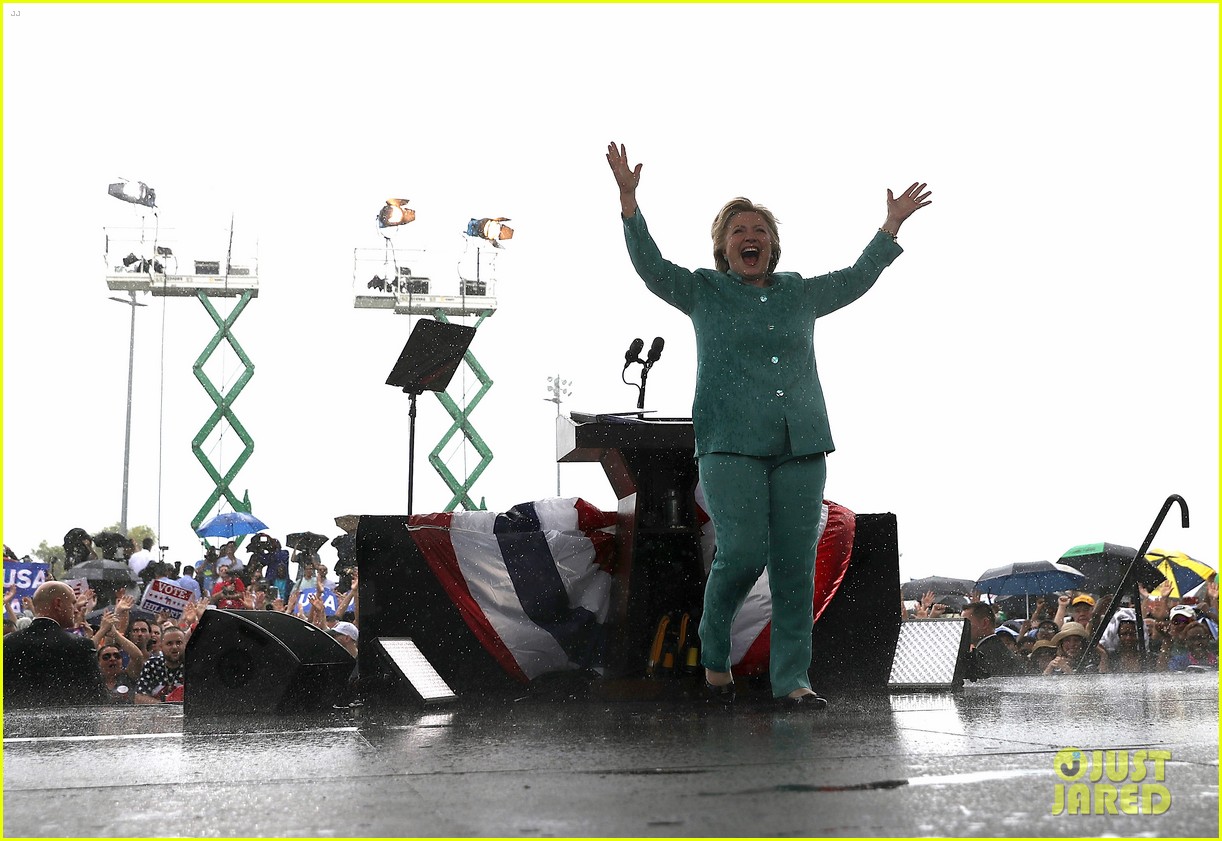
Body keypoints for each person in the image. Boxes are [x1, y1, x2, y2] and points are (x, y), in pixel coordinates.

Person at [606, 141, 930, 708]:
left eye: (758, 230)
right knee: (744, 552)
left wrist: (890, 228)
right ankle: (713, 649)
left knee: (794, 568)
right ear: (723, 248)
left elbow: (855, 278)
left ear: (772, 246)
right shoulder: (703, 290)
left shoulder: (799, 292)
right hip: (730, 443)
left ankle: (793, 682)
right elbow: (652, 269)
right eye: (737, 231)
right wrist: (630, 204)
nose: (748, 237)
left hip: (801, 442)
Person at [2, 581, 107, 707]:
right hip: (66, 724)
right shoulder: (79, 646)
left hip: (15, 724)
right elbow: (96, 698)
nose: (75, 610)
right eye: (73, 603)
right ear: (58, 604)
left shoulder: (7, 643)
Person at [964, 602, 1022, 677]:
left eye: (966, 624)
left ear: (985, 623)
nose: (962, 629)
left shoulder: (984, 655)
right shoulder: (996, 649)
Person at [134, 625, 188, 703]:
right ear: (161, 646)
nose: (175, 647)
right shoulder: (152, 665)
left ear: (185, 644)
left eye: (179, 643)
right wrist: (165, 705)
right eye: (169, 643)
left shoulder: (192, 666)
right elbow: (139, 698)